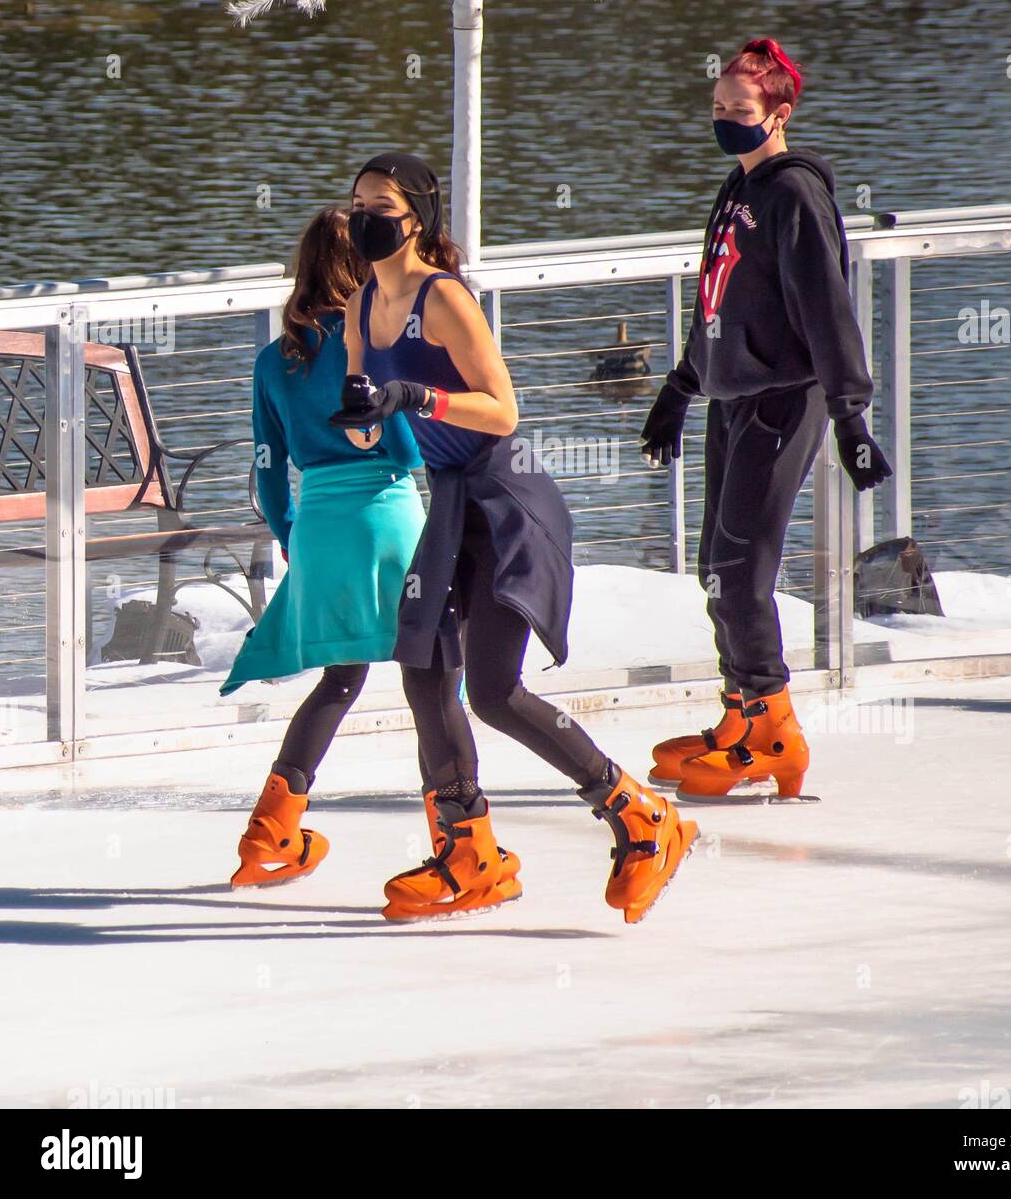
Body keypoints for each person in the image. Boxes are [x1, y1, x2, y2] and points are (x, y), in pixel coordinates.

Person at [329, 151, 699, 923]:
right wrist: (364, 423)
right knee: (424, 669)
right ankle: (470, 856)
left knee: (494, 690)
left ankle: (641, 817)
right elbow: (373, 424)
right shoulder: (362, 303)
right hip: (449, 504)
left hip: (506, 496)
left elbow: (503, 411)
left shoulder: (445, 299)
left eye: (380, 203)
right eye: (357, 200)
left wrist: (416, 395)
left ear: (419, 216)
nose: (364, 215)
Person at [643, 38, 891, 802]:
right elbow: (720, 298)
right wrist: (680, 387)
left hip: (787, 396)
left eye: (739, 110)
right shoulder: (741, 186)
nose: (723, 120)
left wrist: (850, 418)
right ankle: (739, 716)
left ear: (779, 114)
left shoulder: (794, 194)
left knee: (741, 571)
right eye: (717, 108)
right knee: (713, 568)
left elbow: (827, 307)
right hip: (732, 395)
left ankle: (775, 732)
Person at [221, 207, 426, 886]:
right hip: (387, 513)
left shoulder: (272, 361)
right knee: (430, 670)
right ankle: (459, 832)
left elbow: (266, 471)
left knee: (339, 679)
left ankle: (270, 830)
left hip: (318, 525)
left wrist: (291, 539)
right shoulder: (373, 341)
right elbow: (403, 448)